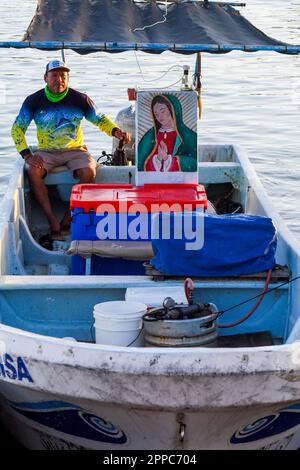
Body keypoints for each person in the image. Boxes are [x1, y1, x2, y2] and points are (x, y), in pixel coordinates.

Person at [11, 59, 130, 240]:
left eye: (63, 75)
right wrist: (27, 155)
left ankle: (67, 220)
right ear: (45, 78)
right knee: (32, 170)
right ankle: (51, 220)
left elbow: (99, 119)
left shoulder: (79, 99)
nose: (59, 80)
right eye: (55, 75)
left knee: (89, 171)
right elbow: (17, 128)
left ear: (68, 78)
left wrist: (116, 131)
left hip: (75, 149)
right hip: (46, 150)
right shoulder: (33, 100)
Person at [138, 94, 197, 172]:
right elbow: (141, 163)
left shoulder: (188, 136)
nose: (159, 116)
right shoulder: (150, 136)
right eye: (156, 114)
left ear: (173, 110)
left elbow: (194, 163)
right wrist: (158, 159)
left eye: (162, 111)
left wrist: (169, 160)